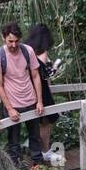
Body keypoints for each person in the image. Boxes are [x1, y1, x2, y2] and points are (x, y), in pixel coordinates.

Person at [0, 21, 45, 166]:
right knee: (13, 140)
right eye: (10, 41)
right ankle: (17, 169)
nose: (14, 45)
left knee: (35, 136)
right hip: (12, 104)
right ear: (3, 38)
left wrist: (39, 101)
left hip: (31, 100)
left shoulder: (28, 51)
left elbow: (35, 76)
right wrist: (9, 108)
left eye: (16, 41)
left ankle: (39, 167)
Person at [23, 23, 57, 152]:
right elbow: (46, 73)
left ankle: (36, 148)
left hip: (29, 87)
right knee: (46, 122)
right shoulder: (42, 51)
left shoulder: (27, 50)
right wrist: (53, 67)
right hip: (42, 89)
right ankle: (44, 150)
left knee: (37, 121)